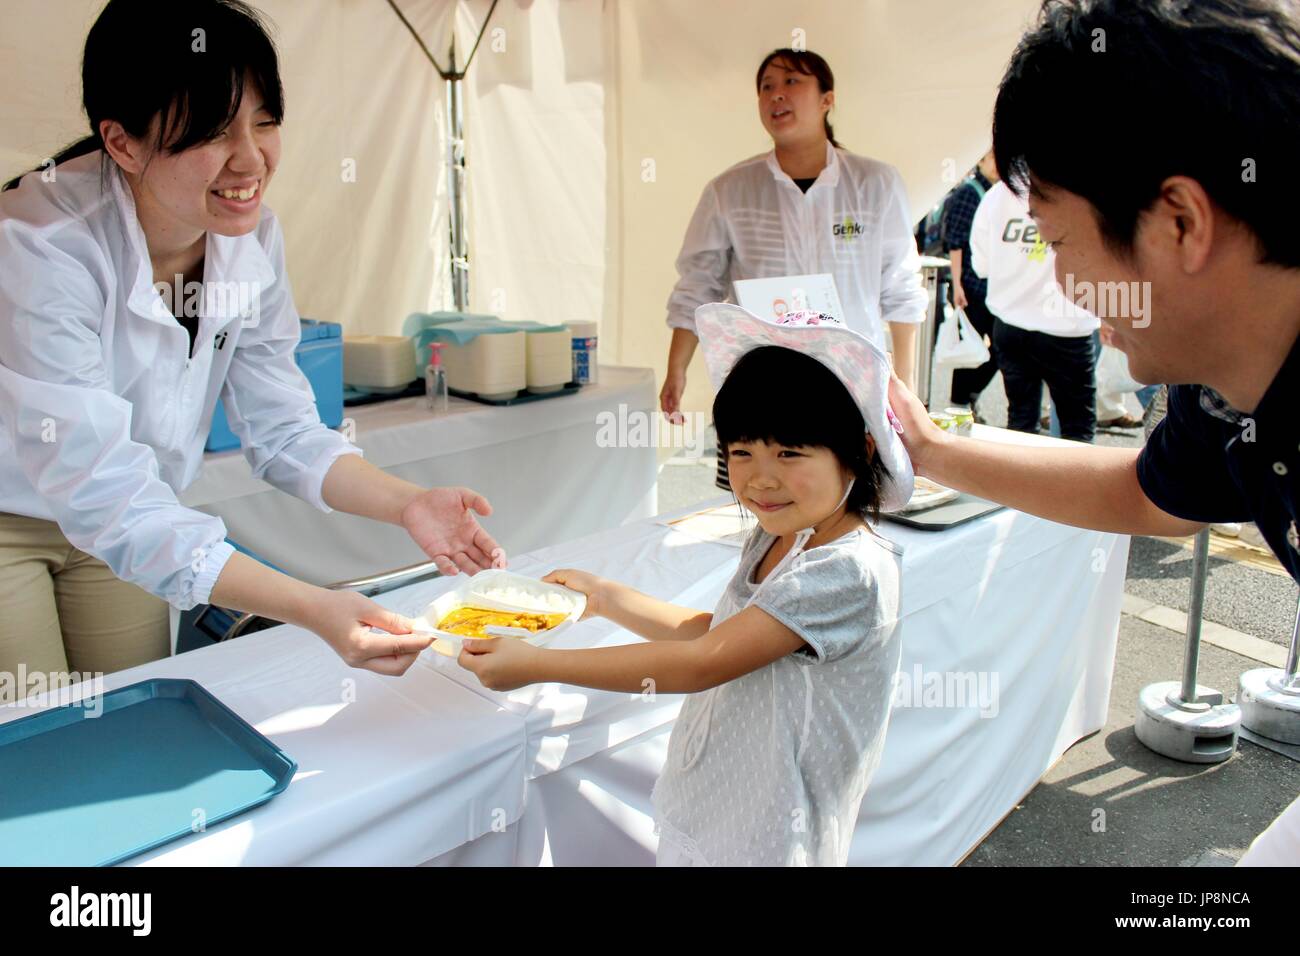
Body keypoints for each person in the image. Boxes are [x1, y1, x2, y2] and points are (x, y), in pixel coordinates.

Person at [887, 0, 1299, 864]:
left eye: (1059, 242)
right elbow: (1146, 494)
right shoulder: (1224, 385)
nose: (1065, 288)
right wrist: (930, 447)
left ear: (1178, 222)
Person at [0, 0, 503, 695]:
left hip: (138, 508)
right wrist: (316, 608)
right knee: (31, 741)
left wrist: (408, 502)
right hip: (13, 516)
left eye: (264, 122)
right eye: (212, 131)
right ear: (121, 142)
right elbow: (97, 485)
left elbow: (285, 430)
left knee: (127, 714)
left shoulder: (251, 234)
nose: (251, 158)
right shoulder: (40, 245)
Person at [459, 303, 914, 866]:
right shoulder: (785, 532)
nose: (761, 478)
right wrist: (606, 597)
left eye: (790, 453)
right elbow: (716, 633)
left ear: (860, 451)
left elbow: (704, 662)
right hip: (721, 801)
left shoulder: (845, 570)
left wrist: (536, 664)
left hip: (771, 833)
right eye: (742, 451)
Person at [658, 48, 927, 487]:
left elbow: (901, 287)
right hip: (760, 384)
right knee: (759, 510)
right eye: (766, 87)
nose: (776, 95)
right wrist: (677, 368)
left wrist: (906, 388)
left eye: (791, 82)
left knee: (853, 506)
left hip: (850, 381)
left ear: (827, 100)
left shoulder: (875, 183)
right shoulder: (730, 190)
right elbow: (697, 285)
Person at [971, 178, 1099, 441]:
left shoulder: (999, 193)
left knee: (1021, 423)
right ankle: (1072, 483)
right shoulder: (1081, 187)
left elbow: (981, 264)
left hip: (1011, 322)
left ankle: (1018, 482)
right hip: (1067, 325)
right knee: (1077, 429)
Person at [941, 148, 1000, 412]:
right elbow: (956, 242)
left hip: (990, 285)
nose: (998, 164)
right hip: (971, 285)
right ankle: (960, 403)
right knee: (970, 348)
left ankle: (968, 397)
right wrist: (957, 285)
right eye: (992, 158)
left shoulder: (997, 192)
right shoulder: (970, 192)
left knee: (997, 349)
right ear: (981, 160)